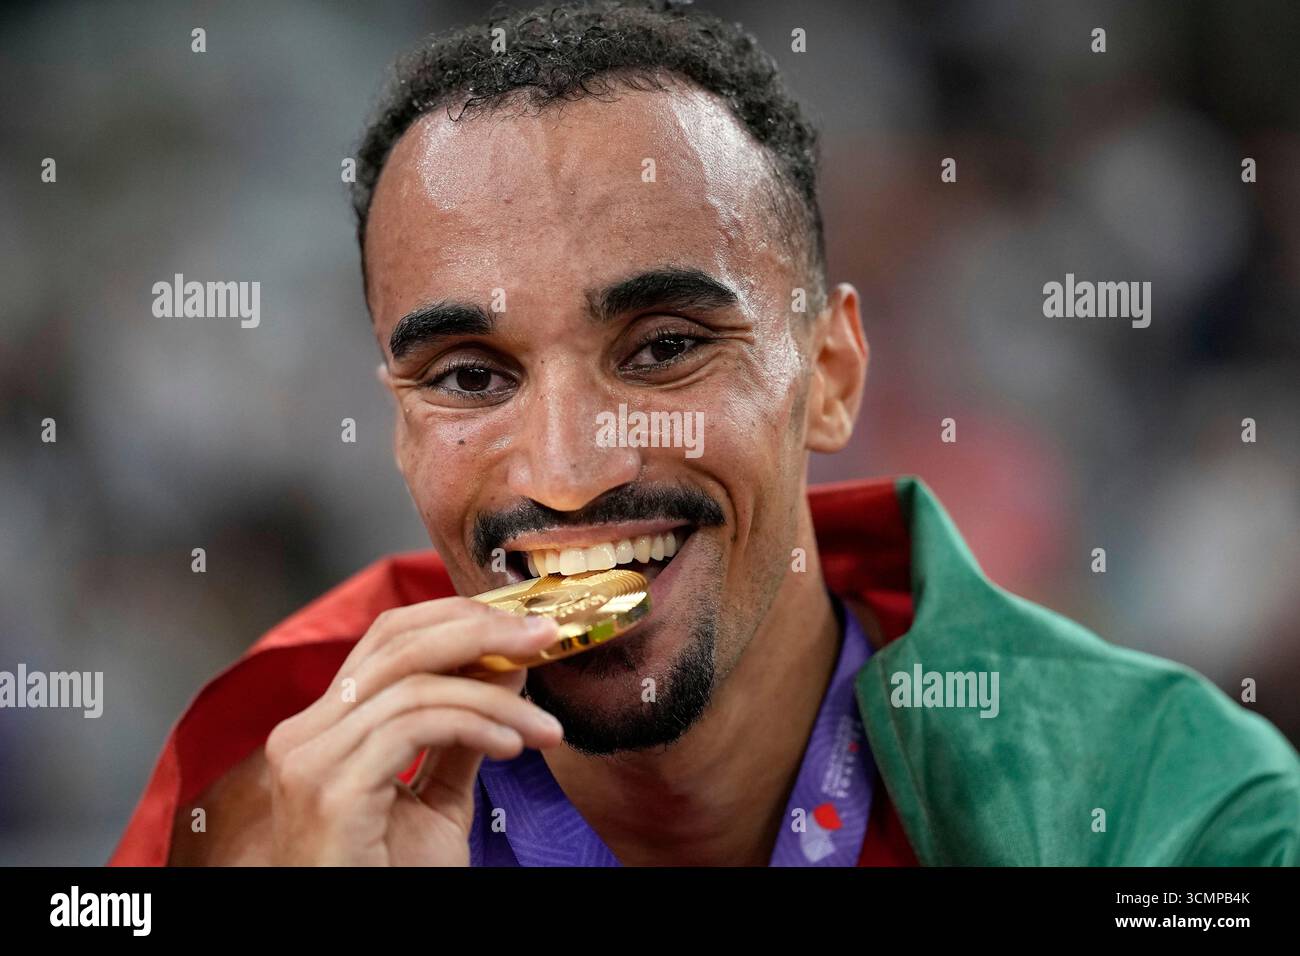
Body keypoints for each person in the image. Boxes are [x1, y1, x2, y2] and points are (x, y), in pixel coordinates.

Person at [111, 0, 1299, 867]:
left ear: (828, 376)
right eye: (470, 376)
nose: (569, 472)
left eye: (664, 347)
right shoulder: (238, 809)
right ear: (398, 428)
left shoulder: (1165, 807)